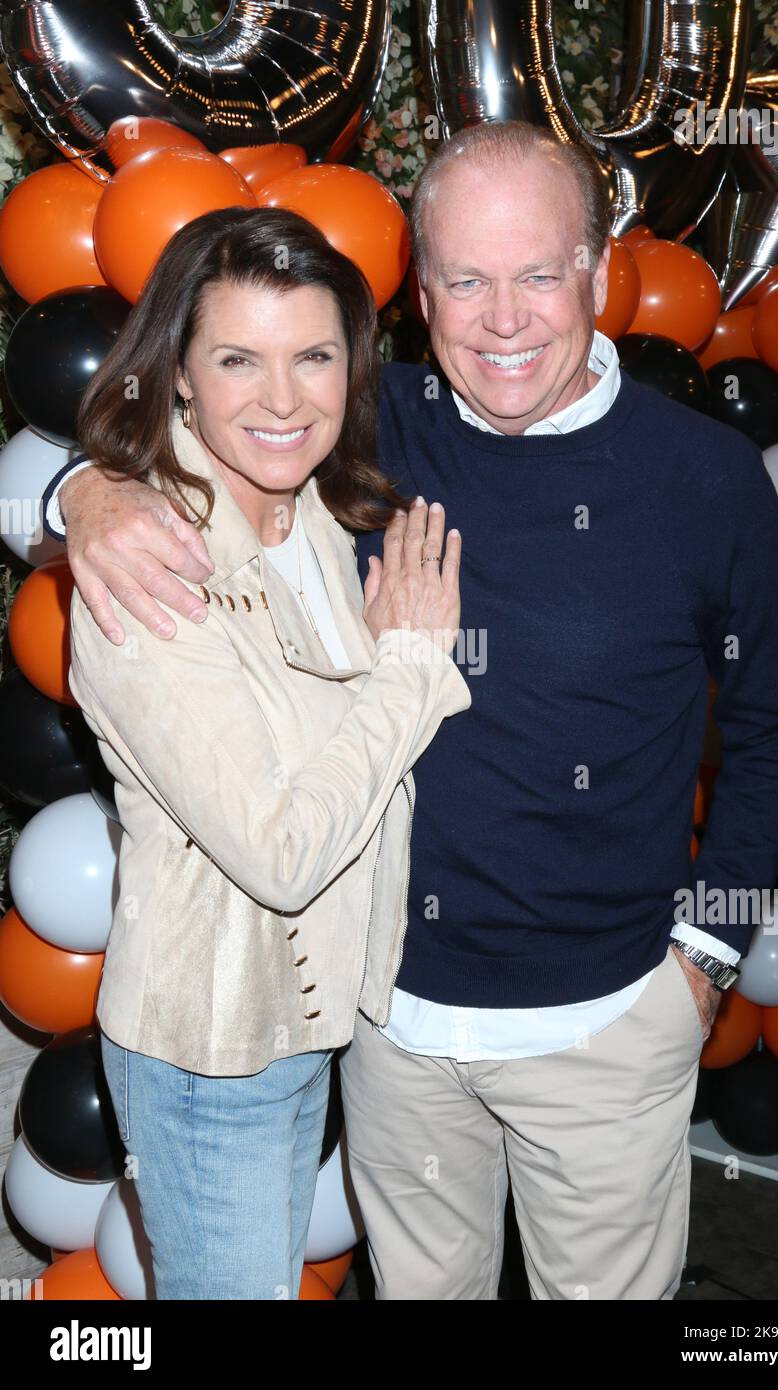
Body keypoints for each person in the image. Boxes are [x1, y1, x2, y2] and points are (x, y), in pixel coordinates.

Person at [44, 122, 778, 1301]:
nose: (502, 319)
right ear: (419, 294)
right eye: (465, 279)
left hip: (608, 1026)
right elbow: (206, 409)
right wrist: (88, 494)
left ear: (598, 273)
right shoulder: (365, 429)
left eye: (536, 274)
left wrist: (703, 958)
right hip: (388, 1030)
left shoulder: (703, 476)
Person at [61, 205, 470, 1299]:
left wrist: (77, 485)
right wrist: (412, 670)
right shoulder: (150, 571)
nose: (282, 399)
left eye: (313, 357)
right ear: (179, 374)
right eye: (237, 358)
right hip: (210, 1053)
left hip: (305, 1027)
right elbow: (282, 851)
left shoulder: (319, 518)